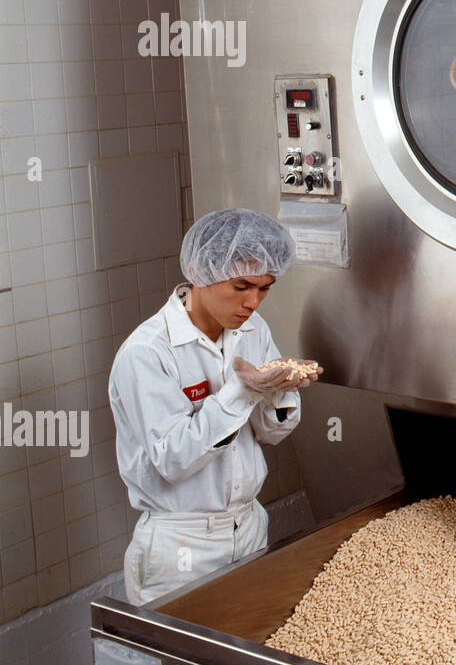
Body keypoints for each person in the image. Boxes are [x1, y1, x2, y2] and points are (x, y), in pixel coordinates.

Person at [108, 208, 322, 606]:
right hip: (181, 544)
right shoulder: (148, 353)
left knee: (245, 654)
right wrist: (242, 392)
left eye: (265, 288)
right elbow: (173, 460)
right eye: (241, 285)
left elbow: (271, 434)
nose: (252, 301)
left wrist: (279, 391)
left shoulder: (252, 330)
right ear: (199, 272)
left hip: (249, 526)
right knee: (173, 664)